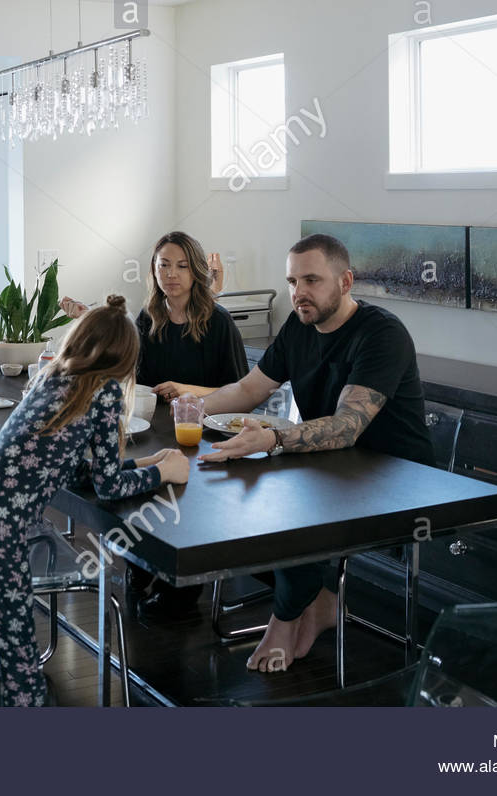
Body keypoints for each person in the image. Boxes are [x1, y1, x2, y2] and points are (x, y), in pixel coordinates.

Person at [182, 233, 433, 672]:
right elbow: (248, 390)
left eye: (311, 280)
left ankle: (285, 620)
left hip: (396, 478)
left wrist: (274, 440)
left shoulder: (381, 334)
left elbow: (347, 425)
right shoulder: (298, 328)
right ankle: (319, 600)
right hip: (331, 465)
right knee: (251, 502)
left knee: (291, 513)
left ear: (346, 281)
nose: (298, 293)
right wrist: (185, 411)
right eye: (292, 281)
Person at [0, 295, 190, 706]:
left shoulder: (52, 379)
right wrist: (164, 473)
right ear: (123, 359)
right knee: (20, 662)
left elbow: (67, 467)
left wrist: (141, 462)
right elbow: (107, 487)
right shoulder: (104, 393)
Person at [58, 233, 248, 620]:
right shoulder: (150, 317)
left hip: (206, 436)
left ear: (195, 272)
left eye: (180, 266)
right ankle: (144, 566)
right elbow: (133, 377)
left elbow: (240, 392)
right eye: (163, 264)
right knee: (140, 491)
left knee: (176, 495)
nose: (171, 275)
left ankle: (180, 586)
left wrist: (186, 390)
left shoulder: (218, 321)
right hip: (155, 430)